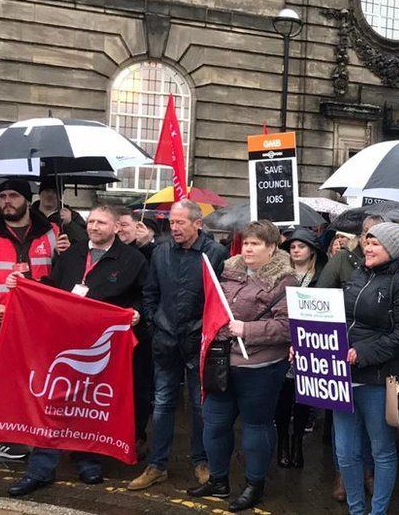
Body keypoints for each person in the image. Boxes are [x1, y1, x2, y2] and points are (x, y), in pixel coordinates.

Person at [7, 205, 146, 496]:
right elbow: (53, 289)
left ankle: (88, 460)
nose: (94, 226)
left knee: (92, 403)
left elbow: (146, 296)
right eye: (91, 221)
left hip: (102, 347)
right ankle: (41, 469)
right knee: (54, 400)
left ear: (116, 228)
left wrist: (137, 312)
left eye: (101, 222)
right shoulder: (72, 254)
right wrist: (25, 285)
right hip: (64, 342)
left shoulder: (133, 259)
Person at [188, 220, 295, 511]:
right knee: (214, 423)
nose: (248, 248)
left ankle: (254, 485)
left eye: (256, 243)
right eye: (246, 242)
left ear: (272, 248)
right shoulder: (228, 270)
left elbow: (286, 327)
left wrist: (247, 330)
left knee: (255, 427)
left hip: (260, 366)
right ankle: (218, 480)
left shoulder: (285, 281)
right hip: (222, 361)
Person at [128, 200, 229, 491]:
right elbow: (150, 292)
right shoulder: (160, 253)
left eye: (180, 222)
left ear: (197, 223)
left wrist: (207, 331)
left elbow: (219, 299)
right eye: (172, 222)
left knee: (200, 406)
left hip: (199, 342)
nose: (174, 228)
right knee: (162, 404)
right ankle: (157, 465)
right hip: (165, 339)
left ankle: (201, 461)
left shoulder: (215, 253)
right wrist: (153, 322)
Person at [0, 179, 69, 470]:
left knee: (34, 382)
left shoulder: (53, 233)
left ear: (28, 199)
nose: (6, 201)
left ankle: (16, 437)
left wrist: (71, 227)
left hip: (36, 323)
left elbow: (65, 276)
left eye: (13, 195)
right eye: (2, 196)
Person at [333, 221, 399, 515]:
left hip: (379, 378)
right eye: (366, 241)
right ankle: (356, 510)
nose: (368, 247)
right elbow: (341, 317)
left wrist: (362, 353)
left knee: (381, 450)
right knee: (346, 452)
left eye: (376, 243)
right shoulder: (361, 273)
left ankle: (378, 511)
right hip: (344, 376)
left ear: (394, 248)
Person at [317, 214, 384, 501]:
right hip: (338, 346)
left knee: (371, 423)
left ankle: (368, 472)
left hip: (370, 354)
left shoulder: (388, 266)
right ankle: (343, 473)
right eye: (367, 234)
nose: (370, 241)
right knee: (342, 420)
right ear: (360, 235)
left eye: (376, 236)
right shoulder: (342, 260)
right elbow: (320, 297)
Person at [275, 227, 327, 469]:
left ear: (312, 250)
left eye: (301, 246)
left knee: (304, 397)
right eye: (292, 247)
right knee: (283, 397)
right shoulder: (280, 274)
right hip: (283, 342)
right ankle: (283, 443)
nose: (295, 250)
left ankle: (298, 443)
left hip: (309, 343)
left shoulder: (322, 277)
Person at [117, 207, 159, 454]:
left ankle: (136, 434)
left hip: (139, 332)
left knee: (139, 386)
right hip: (112, 331)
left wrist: (145, 245)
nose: (120, 230)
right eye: (118, 225)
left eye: (125, 225)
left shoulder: (151, 252)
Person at [32, 177, 87, 245]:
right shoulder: (29, 214)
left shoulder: (73, 216)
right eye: (47, 190)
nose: (50, 195)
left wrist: (69, 224)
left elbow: (84, 240)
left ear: (60, 196)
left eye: (54, 192)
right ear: (40, 193)